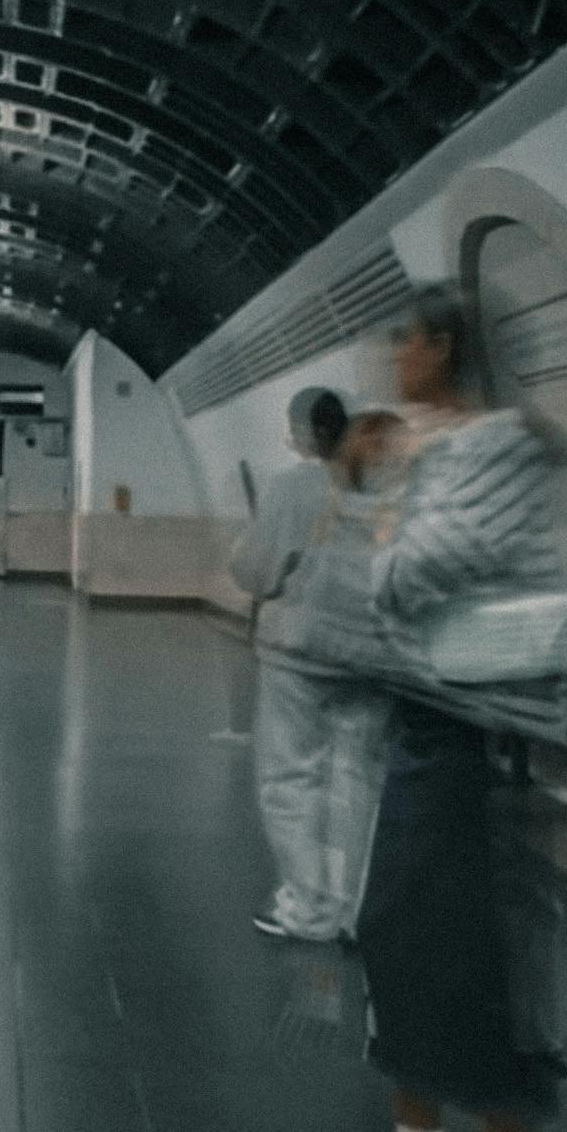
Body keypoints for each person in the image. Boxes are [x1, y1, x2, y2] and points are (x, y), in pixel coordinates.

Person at [313, 291, 567, 1132]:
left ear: (444, 346)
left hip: (484, 729)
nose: (390, 357)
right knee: (399, 933)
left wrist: (390, 491)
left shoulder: (493, 445)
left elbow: (414, 573)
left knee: (488, 966)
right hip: (428, 715)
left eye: (401, 339)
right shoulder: (428, 444)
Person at [232, 389, 389, 945]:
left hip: (299, 655)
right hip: (371, 654)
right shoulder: (380, 484)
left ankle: (307, 907)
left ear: (302, 431)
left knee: (293, 777)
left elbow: (254, 571)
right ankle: (354, 911)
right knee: (360, 780)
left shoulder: (291, 486)